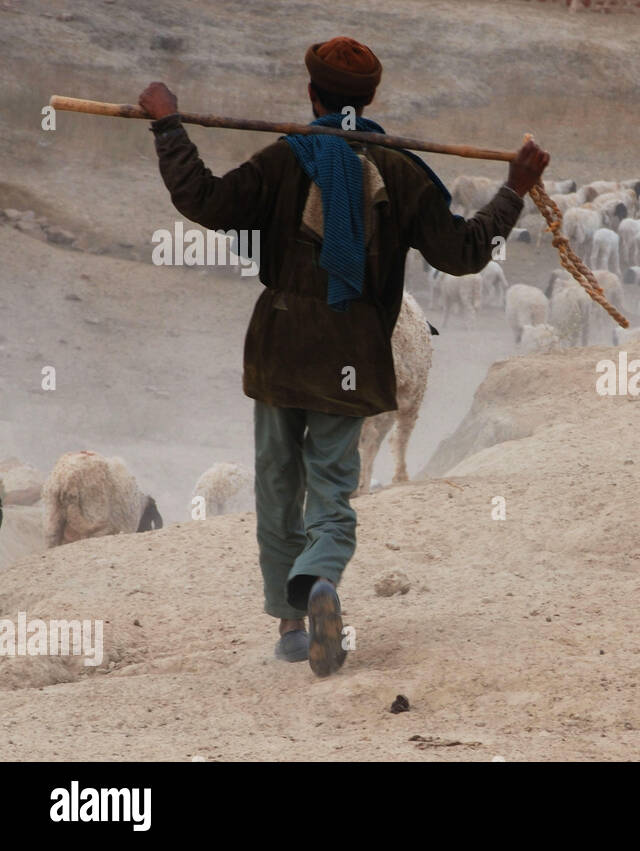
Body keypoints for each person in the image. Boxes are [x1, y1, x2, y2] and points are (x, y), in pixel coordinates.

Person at [138, 36, 548, 677]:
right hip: (350, 356)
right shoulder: (403, 173)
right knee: (333, 487)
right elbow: (465, 253)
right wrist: (514, 190)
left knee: (277, 486)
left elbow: (204, 200)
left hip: (279, 352)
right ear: (372, 99)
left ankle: (292, 626)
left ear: (312, 94)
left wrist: (167, 125)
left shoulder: (284, 160)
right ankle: (320, 575)